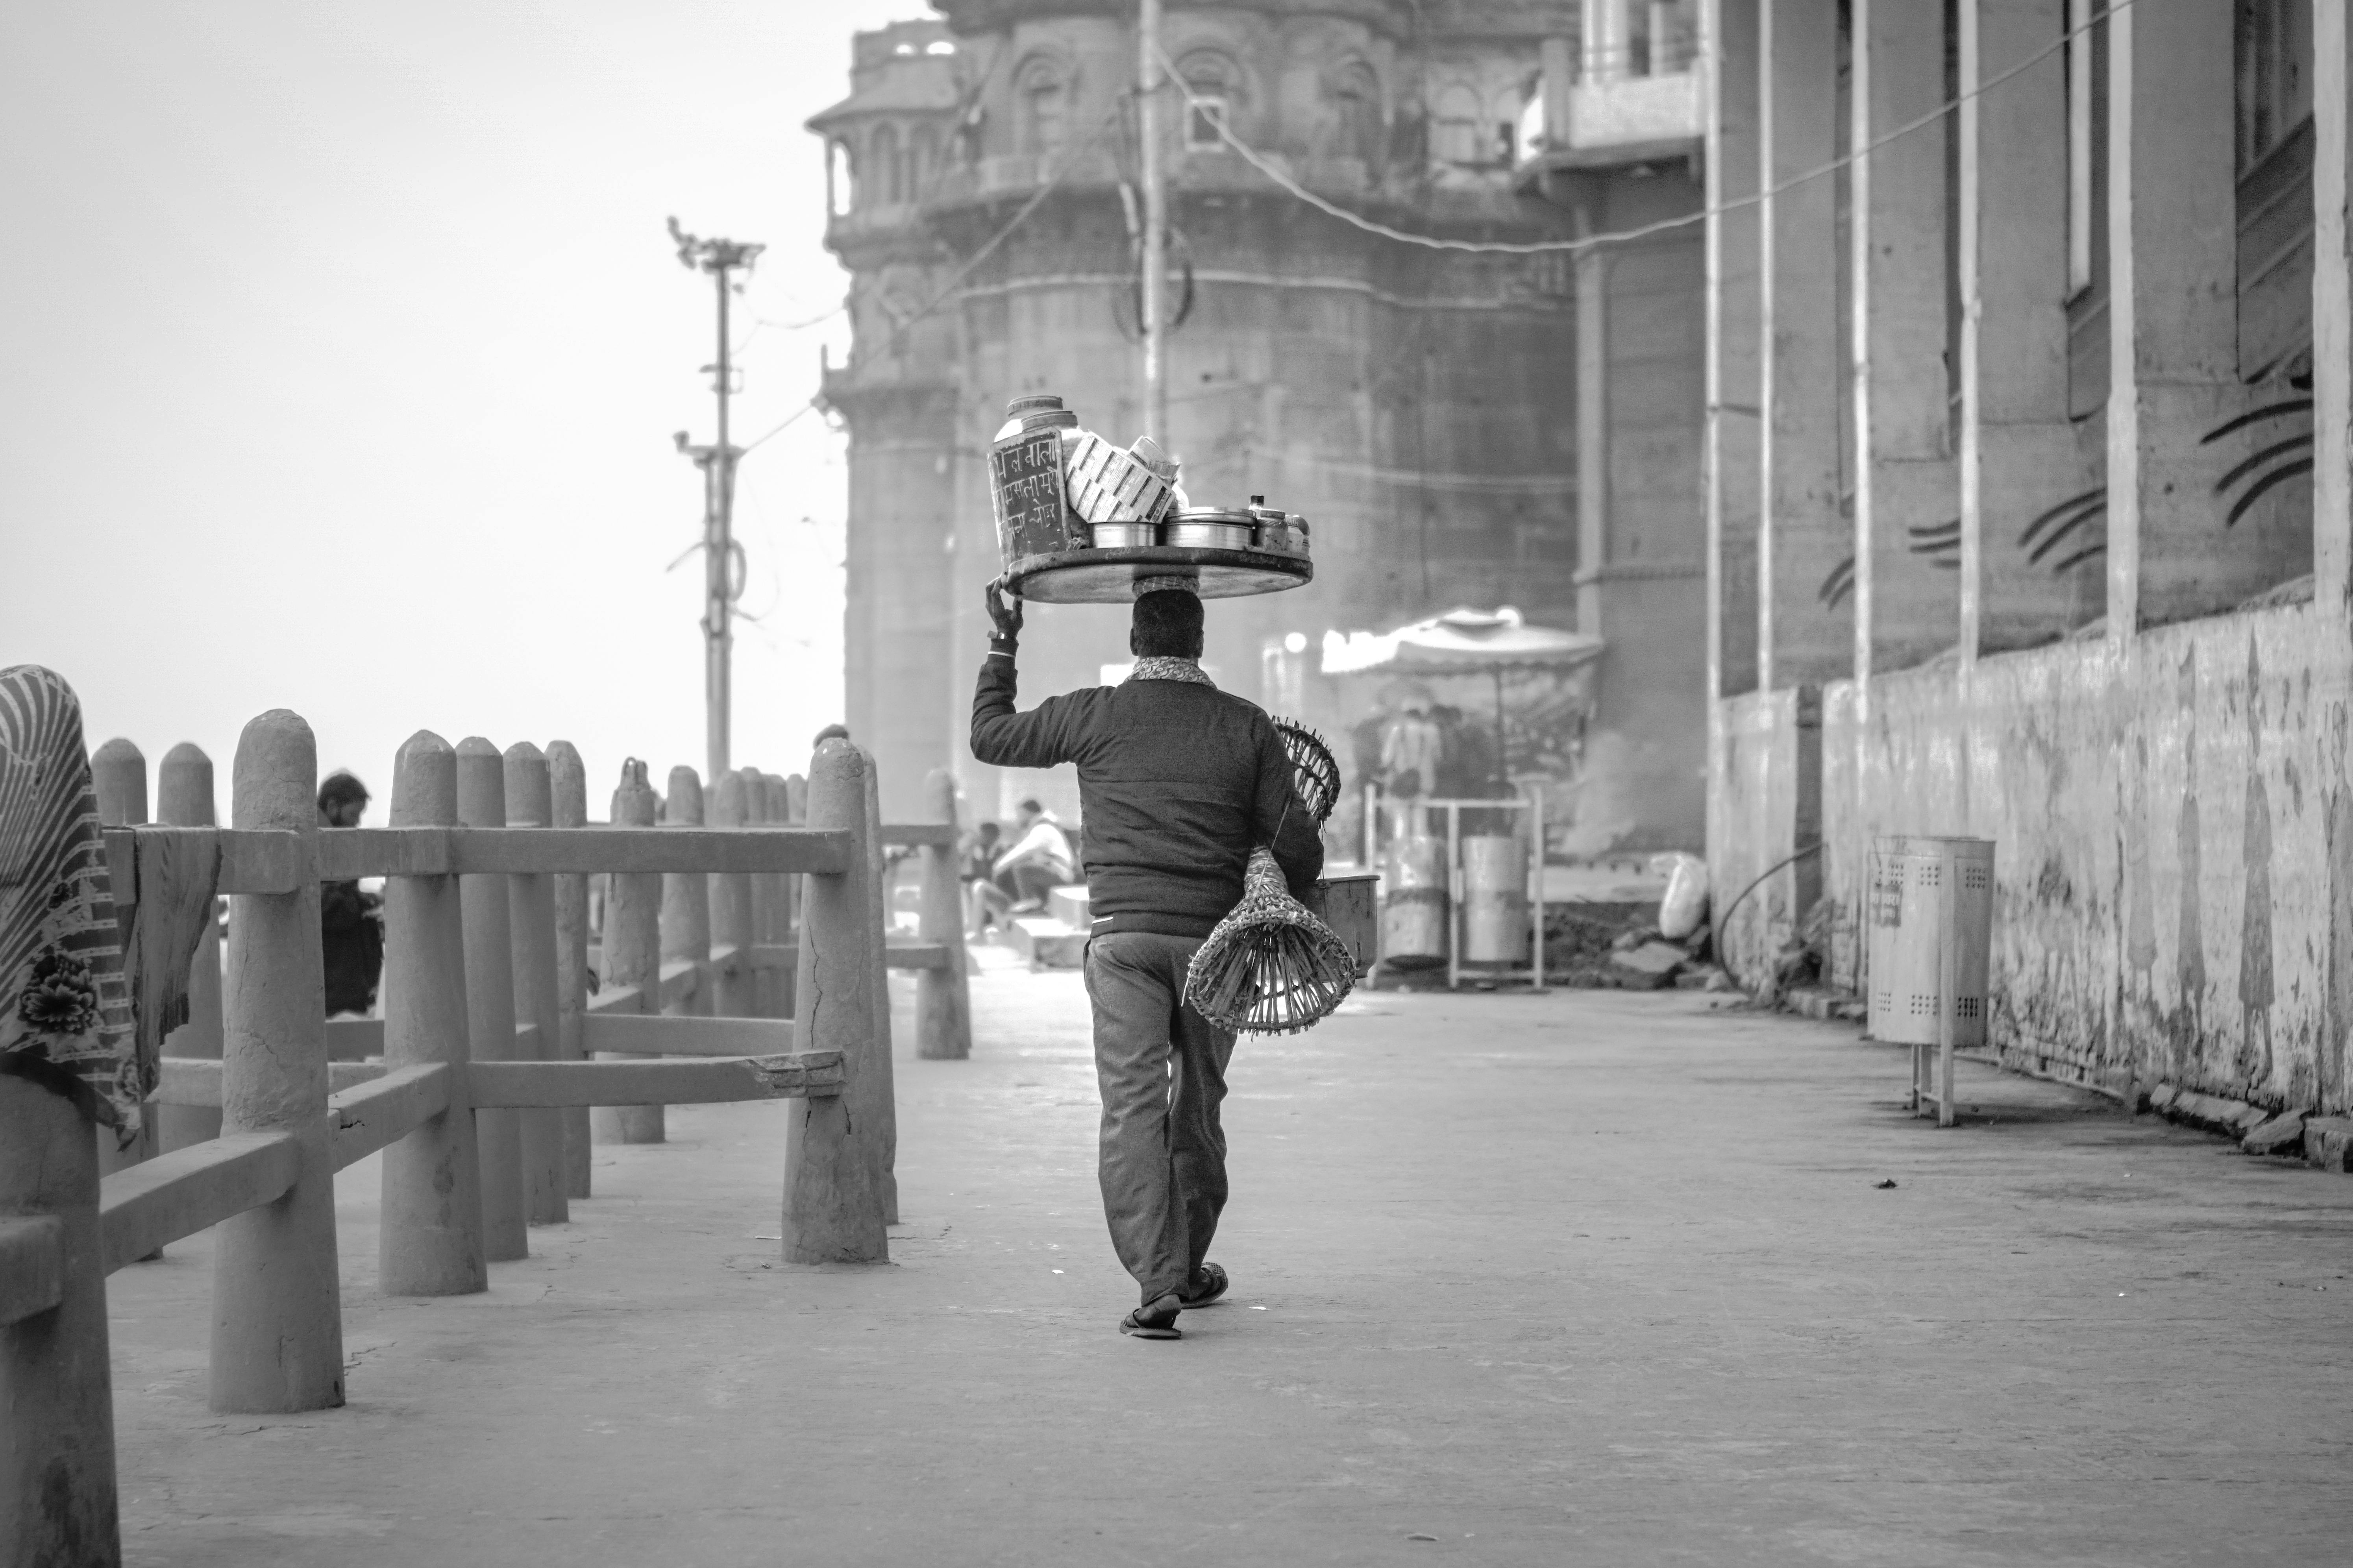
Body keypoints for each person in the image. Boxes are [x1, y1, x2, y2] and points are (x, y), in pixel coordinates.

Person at [970, 577, 1323, 1341]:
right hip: (1215, 946)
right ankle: (1189, 1265)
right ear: (1199, 644)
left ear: (1135, 643)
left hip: (1125, 944)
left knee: (1131, 1108)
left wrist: (1005, 642)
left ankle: (1159, 1281)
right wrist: (1265, 869)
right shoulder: (1246, 725)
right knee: (1196, 1106)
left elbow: (991, 736)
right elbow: (1296, 846)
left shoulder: (1094, 714)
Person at [317, 771, 383, 1018]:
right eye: (353, 815)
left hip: (339, 982)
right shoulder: (318, 844)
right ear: (333, 806)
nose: (356, 824)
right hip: (335, 985)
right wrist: (366, 902)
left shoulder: (330, 842)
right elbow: (329, 907)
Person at [991, 797, 1075, 912]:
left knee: (1022, 868)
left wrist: (999, 866)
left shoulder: (1043, 829)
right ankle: (1036, 904)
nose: (1018, 819)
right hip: (1056, 873)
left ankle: (1030, 900)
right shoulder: (1044, 828)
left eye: (1020, 815)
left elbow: (1022, 851)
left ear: (1027, 813)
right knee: (1026, 868)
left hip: (1060, 874)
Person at [960, 819, 1005, 933]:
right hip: (985, 894)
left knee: (979, 887)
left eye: (983, 835)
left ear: (994, 836)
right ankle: (973, 925)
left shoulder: (1001, 853)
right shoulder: (978, 853)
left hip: (1002, 896)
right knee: (967, 887)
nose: (980, 838)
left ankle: (977, 929)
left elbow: (995, 879)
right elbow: (970, 875)